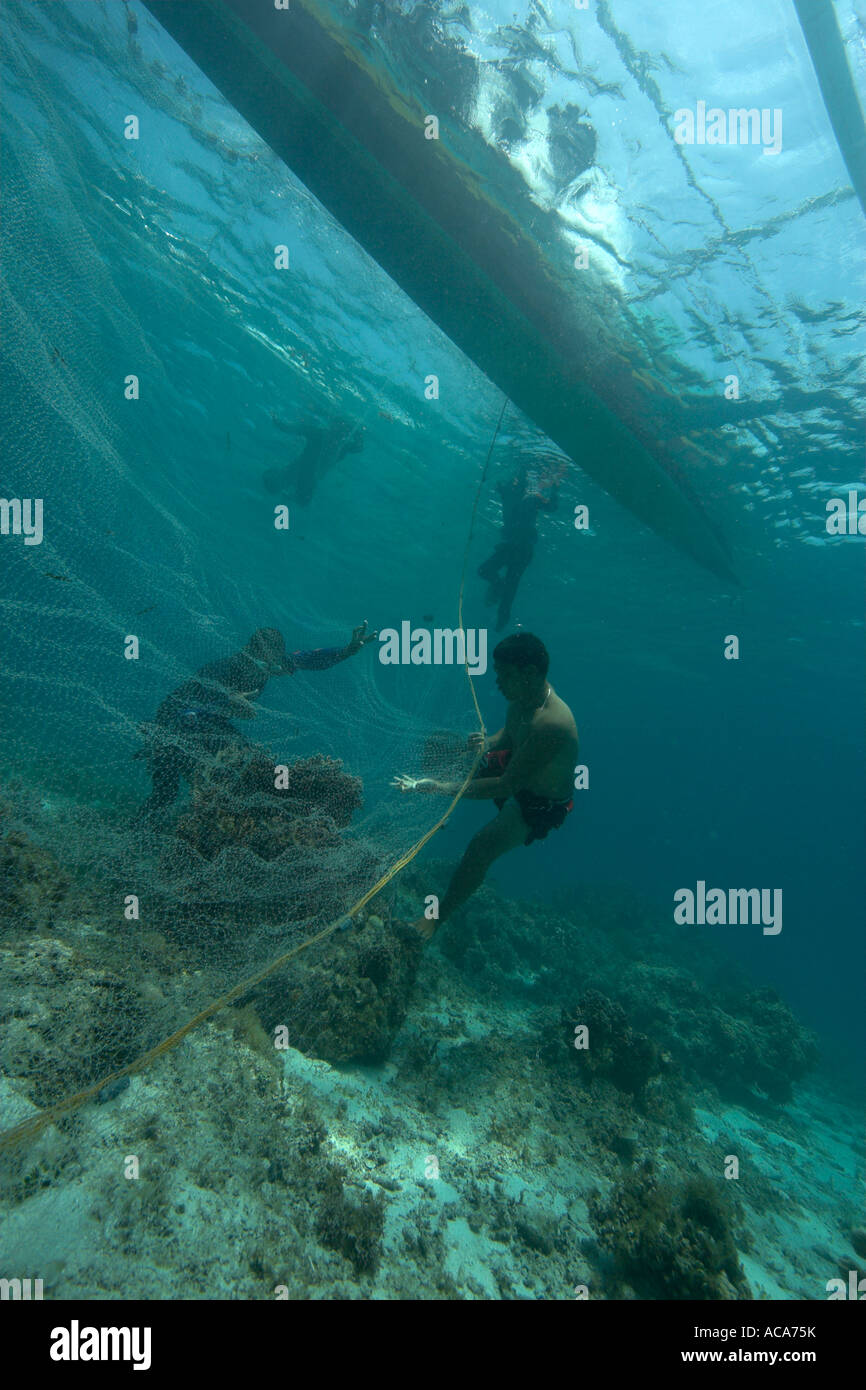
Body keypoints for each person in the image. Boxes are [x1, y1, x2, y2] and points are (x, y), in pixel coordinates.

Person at [392, 632, 577, 939]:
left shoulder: (552, 724)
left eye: (504, 675)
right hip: (515, 769)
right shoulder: (522, 699)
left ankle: (434, 920)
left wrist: (439, 787)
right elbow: (507, 738)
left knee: (480, 848)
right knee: (439, 748)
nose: (498, 682)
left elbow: (505, 786)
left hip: (537, 803)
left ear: (529, 673)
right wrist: (483, 745)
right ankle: (428, 791)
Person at [135, 622, 377, 823]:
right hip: (173, 726)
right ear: (248, 653)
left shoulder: (269, 666)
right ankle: (134, 835)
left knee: (243, 763)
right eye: (262, 664)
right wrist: (226, 700)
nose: (267, 672)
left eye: (272, 665)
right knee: (164, 794)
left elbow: (309, 659)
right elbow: (185, 711)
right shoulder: (224, 670)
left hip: (207, 727)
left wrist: (347, 651)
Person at [477, 459, 564, 629]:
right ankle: (498, 589)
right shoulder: (511, 493)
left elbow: (552, 506)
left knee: (508, 588)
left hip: (521, 547)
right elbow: (508, 485)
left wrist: (555, 487)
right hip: (513, 546)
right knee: (488, 573)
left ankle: (501, 618)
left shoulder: (530, 497)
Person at [262, 414, 365, 505]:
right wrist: (357, 433)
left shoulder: (335, 442)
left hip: (305, 473)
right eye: (339, 428)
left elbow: (293, 428)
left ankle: (285, 493)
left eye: (343, 430)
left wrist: (277, 421)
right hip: (306, 474)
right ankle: (285, 493)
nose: (339, 431)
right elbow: (358, 447)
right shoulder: (334, 442)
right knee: (300, 496)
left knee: (300, 496)